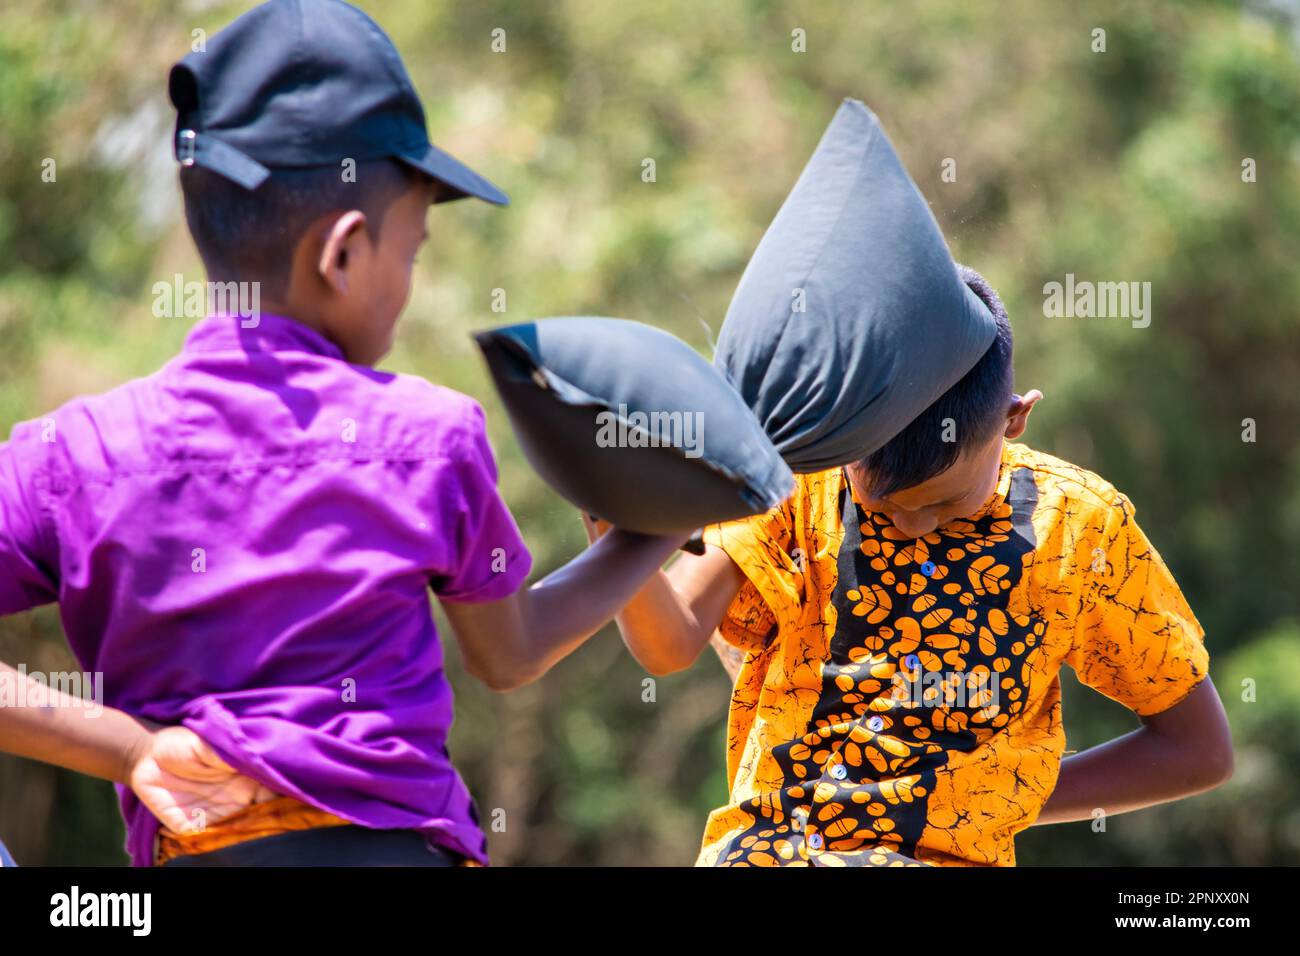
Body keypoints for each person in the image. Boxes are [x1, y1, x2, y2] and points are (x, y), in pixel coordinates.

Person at [0, 0, 682, 867]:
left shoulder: (77, 456)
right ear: (345, 254)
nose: (409, 282)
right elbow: (509, 656)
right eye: (414, 251)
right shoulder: (430, 437)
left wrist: (128, 749)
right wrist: (658, 528)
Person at [588, 266, 1234, 866]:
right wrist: (614, 525)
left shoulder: (1080, 527)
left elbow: (1195, 751)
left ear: (1015, 418)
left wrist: (993, 797)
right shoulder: (793, 480)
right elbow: (669, 643)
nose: (911, 525)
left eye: (945, 502)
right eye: (882, 505)